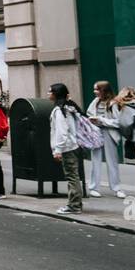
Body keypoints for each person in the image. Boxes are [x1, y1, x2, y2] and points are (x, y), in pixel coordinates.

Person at [85, 81, 125, 198]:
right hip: (96, 132)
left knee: (112, 162)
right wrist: (92, 120)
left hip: (109, 133)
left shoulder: (113, 103)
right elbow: (89, 113)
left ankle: (117, 188)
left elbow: (118, 122)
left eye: (97, 89)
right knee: (95, 161)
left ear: (104, 91)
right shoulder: (95, 102)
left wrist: (102, 120)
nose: (94, 92)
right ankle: (93, 187)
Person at [49, 83, 83, 215]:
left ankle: (74, 206)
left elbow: (61, 132)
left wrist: (58, 149)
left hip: (67, 147)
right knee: (73, 176)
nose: (48, 94)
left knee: (71, 177)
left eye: (50, 92)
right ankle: (76, 204)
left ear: (56, 94)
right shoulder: (70, 107)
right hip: (73, 145)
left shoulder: (59, 110)